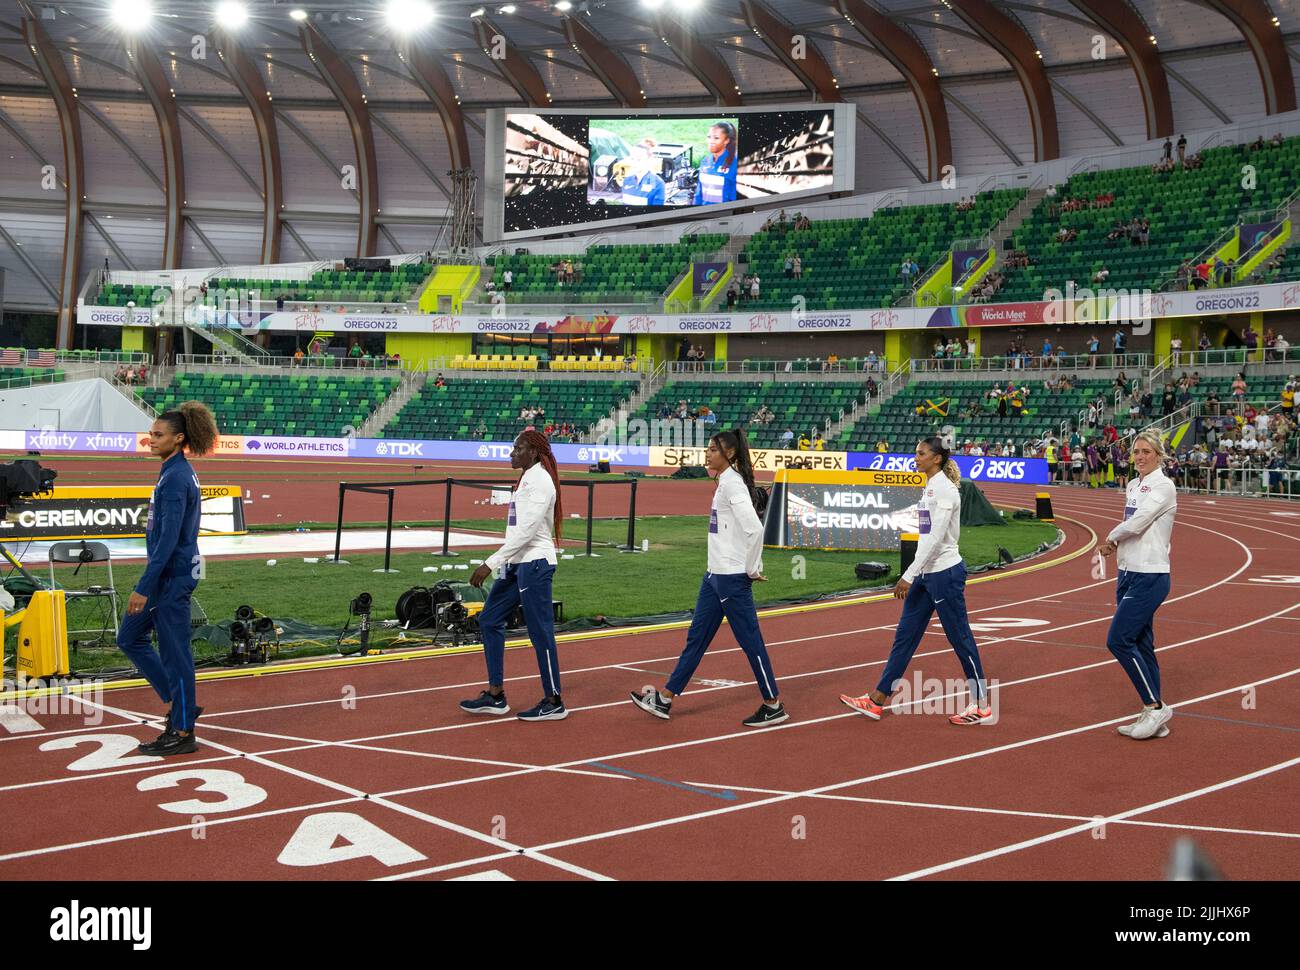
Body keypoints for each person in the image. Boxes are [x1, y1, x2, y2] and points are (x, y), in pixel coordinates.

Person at [630, 429, 787, 727]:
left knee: (751, 642)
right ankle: (664, 699)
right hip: (714, 576)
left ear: (729, 454)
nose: (707, 453)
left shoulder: (733, 486)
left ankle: (773, 703)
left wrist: (753, 568)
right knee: (696, 640)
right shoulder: (725, 483)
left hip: (731, 578)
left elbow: (755, 530)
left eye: (713, 449)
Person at [839, 437, 992, 726]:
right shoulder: (929, 488)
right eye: (916, 453)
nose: (916, 457)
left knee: (960, 638)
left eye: (922, 454)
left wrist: (909, 574)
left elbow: (935, 538)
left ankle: (982, 704)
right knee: (905, 636)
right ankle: (877, 700)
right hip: (925, 574)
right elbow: (925, 534)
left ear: (937, 458)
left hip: (944, 574)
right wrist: (917, 572)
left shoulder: (945, 492)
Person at [117, 402, 220, 756]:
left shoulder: (176, 477)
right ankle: (182, 706)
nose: (150, 440)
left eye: (157, 435)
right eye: (150, 434)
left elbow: (168, 540)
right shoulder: (172, 470)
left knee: (176, 655)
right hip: (167, 573)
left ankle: (182, 731)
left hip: (171, 578)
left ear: (178, 439)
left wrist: (143, 587)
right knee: (129, 637)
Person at [462, 431, 567, 722]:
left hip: (534, 564)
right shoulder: (527, 478)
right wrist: (504, 564)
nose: (511, 453)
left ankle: (554, 700)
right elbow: (518, 533)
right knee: (489, 619)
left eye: (517, 448)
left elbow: (527, 532)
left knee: (540, 632)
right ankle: (496, 695)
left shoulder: (541, 481)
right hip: (517, 563)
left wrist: (490, 563)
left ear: (533, 452)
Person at [1097, 431, 1177, 740]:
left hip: (1151, 574)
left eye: (1146, 451)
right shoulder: (1133, 485)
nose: (1140, 456)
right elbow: (1133, 523)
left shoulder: (1163, 486)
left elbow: (1140, 521)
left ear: (1158, 455)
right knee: (1142, 644)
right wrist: (1118, 546)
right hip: (1127, 572)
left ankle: (1154, 707)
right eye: (1136, 452)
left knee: (1118, 640)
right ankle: (1154, 716)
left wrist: (1112, 538)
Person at [693, 121, 738, 206]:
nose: (711, 141)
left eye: (716, 138)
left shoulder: (735, 164)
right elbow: (698, 194)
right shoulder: (705, 161)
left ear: (726, 140)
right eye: (709, 137)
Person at [620, 139, 666, 206]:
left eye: (639, 159)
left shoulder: (657, 183)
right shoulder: (627, 181)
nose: (634, 163)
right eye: (632, 159)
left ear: (649, 160)